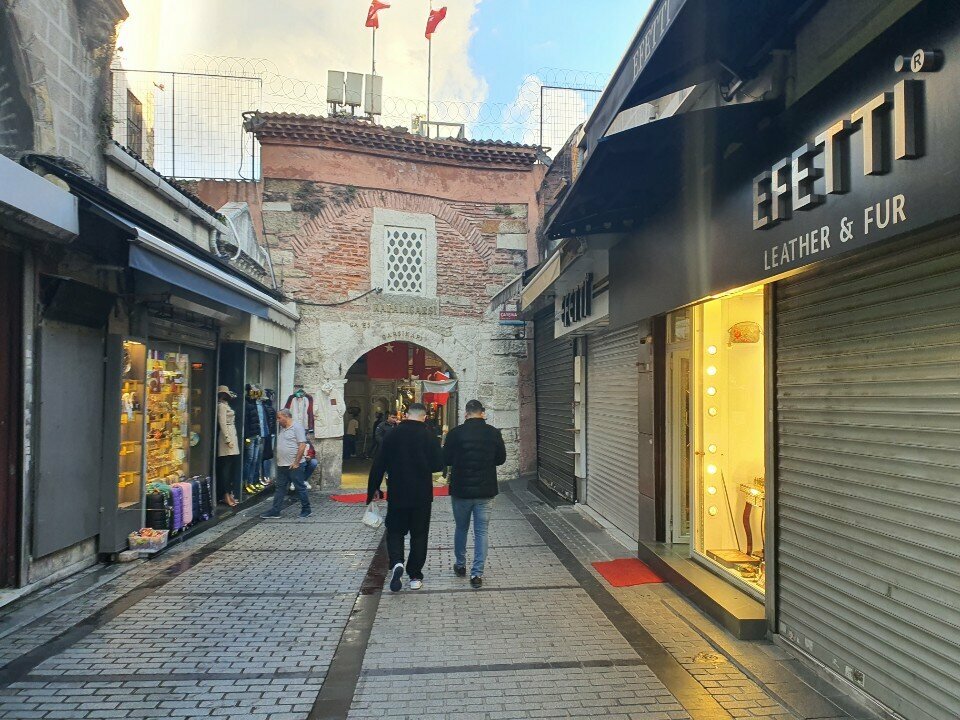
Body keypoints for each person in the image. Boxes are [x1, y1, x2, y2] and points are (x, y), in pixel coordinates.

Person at [367, 403, 443, 592]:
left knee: (395, 530)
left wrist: (373, 488)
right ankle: (415, 575)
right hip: (421, 494)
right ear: (424, 417)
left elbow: (379, 463)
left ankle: (397, 562)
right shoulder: (429, 436)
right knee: (419, 534)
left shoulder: (392, 434)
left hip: (398, 492)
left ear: (406, 415)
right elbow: (437, 465)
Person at [442, 400, 507, 589]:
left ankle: (460, 565)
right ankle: (477, 573)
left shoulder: (455, 433)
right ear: (483, 413)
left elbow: (445, 459)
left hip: (461, 490)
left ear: (465, 413)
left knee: (461, 528)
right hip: (485, 490)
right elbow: (501, 459)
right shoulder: (493, 433)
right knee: (481, 532)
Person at [260, 409, 311, 519]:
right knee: (280, 488)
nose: (278, 420)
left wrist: (296, 462)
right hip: (282, 464)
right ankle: (275, 510)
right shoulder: (283, 429)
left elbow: (302, 445)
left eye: (279, 418)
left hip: (294, 465)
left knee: (300, 487)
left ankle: (306, 509)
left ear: (286, 416)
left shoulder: (296, 427)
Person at [215, 385, 241, 507]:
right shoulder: (221, 406)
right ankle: (225, 494)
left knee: (230, 467)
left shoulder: (226, 405)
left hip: (232, 435)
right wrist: (227, 438)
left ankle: (229, 493)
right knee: (225, 467)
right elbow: (222, 423)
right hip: (227, 437)